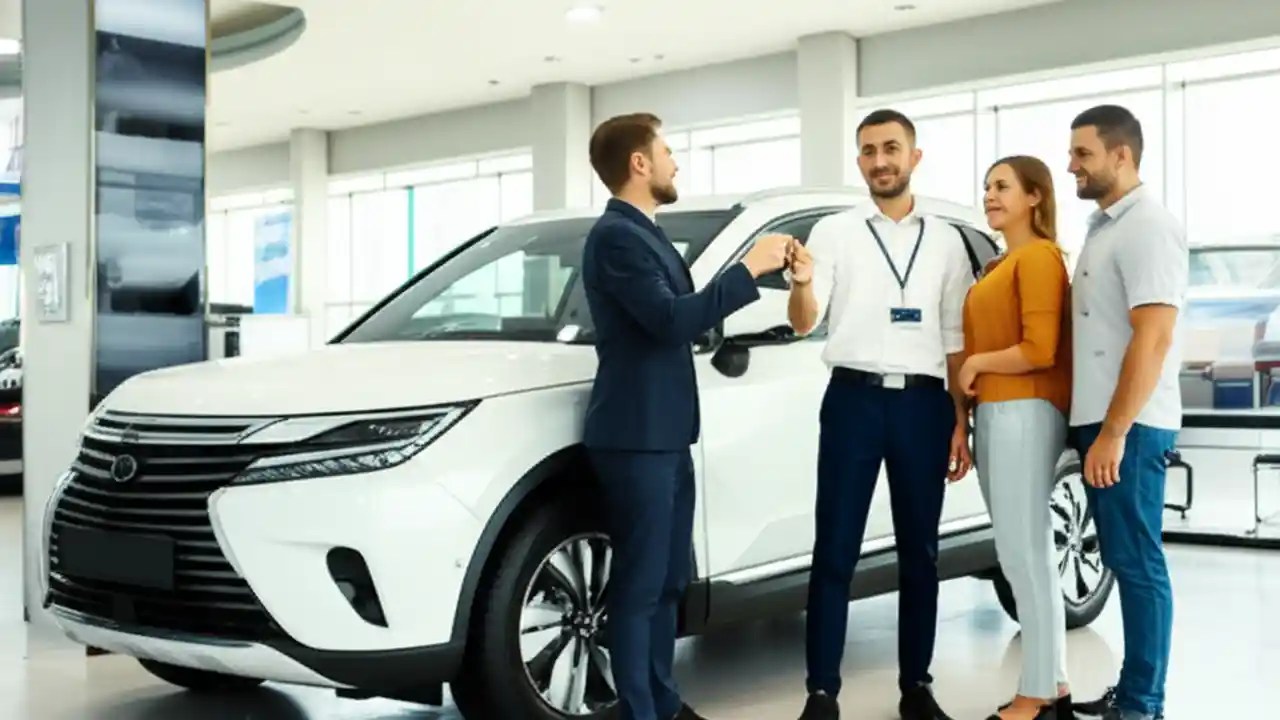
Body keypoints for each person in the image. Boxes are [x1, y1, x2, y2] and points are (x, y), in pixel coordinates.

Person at [581, 112, 794, 720]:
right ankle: (641, 710)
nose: (676, 162)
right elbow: (671, 320)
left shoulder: (646, 231)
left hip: (668, 434)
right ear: (639, 164)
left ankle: (663, 703)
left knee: (670, 581)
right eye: (667, 151)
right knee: (642, 584)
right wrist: (748, 268)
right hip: (636, 436)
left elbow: (684, 314)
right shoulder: (617, 237)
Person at [787, 108, 974, 720]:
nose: (879, 160)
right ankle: (822, 693)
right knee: (833, 549)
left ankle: (915, 688)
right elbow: (804, 322)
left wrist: (960, 420)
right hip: (852, 401)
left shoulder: (946, 239)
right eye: (868, 151)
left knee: (920, 551)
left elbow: (954, 336)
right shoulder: (834, 232)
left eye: (891, 148)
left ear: (914, 156)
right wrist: (802, 284)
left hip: (924, 404)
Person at [1064, 105, 1187, 720]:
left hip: (1129, 425)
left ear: (1122, 154)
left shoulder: (1149, 227)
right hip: (1104, 422)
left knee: (1138, 562)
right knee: (1123, 559)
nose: (1071, 166)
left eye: (1082, 154)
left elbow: (1154, 338)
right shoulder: (1103, 226)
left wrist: (1113, 432)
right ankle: (1134, 690)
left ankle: (1143, 703)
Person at [958, 155, 1074, 720]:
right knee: (1021, 553)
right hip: (1001, 415)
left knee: (1024, 554)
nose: (989, 195)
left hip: (1025, 412)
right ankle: (1051, 683)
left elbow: (1040, 350)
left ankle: (1037, 693)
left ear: (1035, 197)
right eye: (986, 187)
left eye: (1002, 186)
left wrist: (977, 363)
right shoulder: (1003, 264)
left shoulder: (1040, 259)